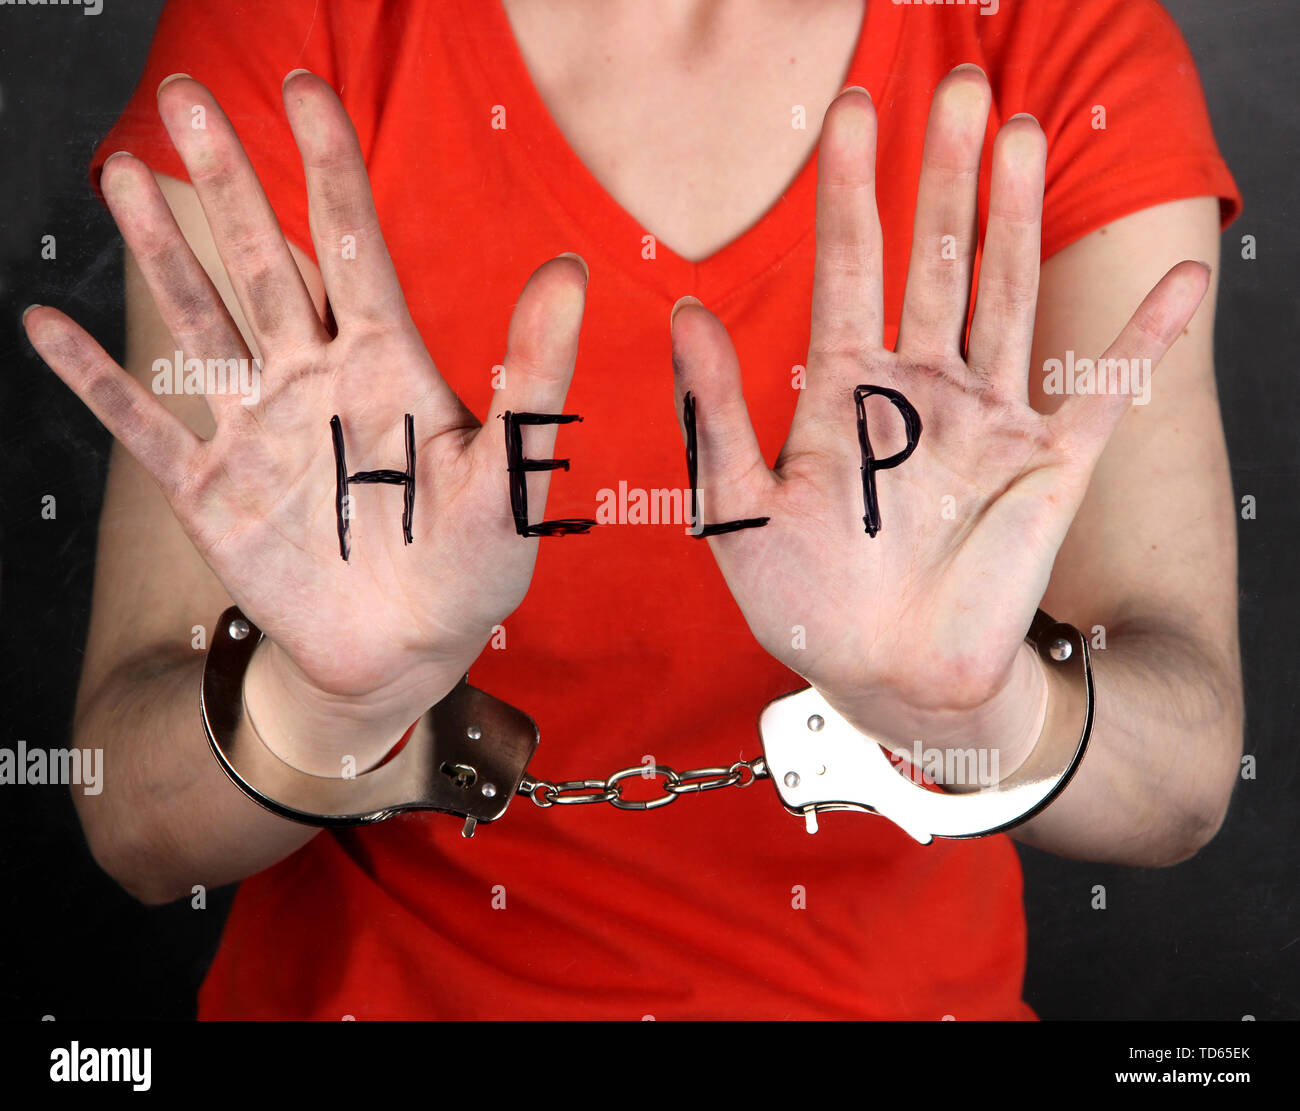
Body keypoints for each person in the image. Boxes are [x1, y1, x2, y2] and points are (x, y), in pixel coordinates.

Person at [23, 0, 1243, 1019]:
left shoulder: (1062, 39)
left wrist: (991, 712)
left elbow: (1184, 769)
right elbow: (134, 818)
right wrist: (320, 706)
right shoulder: (302, 27)